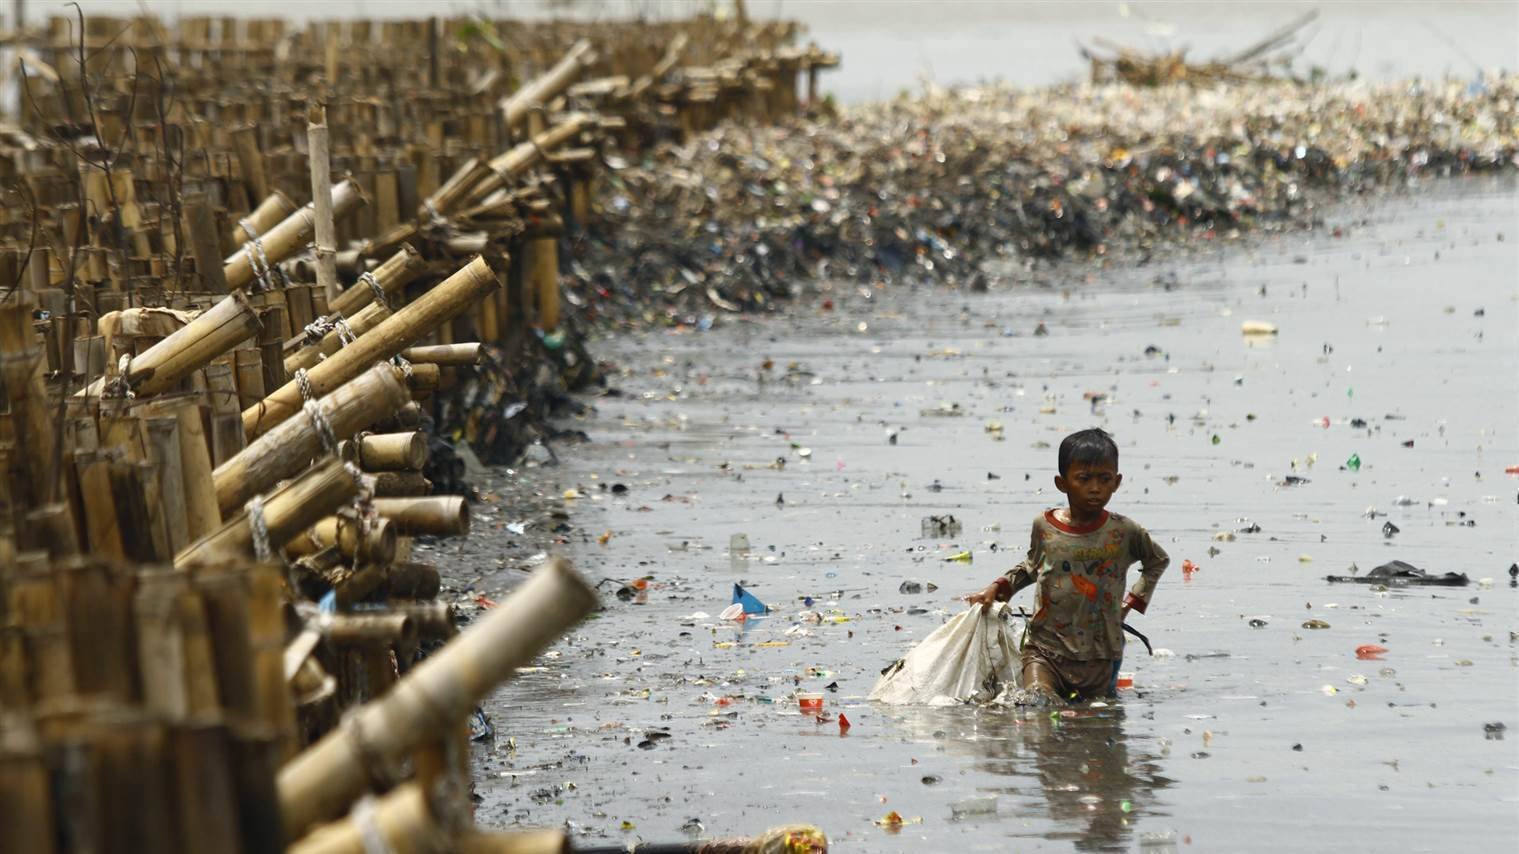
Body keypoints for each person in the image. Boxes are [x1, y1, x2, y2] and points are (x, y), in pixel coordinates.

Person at [965, 428, 1168, 703]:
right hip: (1045, 649)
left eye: (1104, 479)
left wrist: (1132, 601)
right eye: (1084, 479)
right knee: (1038, 703)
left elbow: (1157, 560)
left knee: (1095, 723)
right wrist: (999, 587)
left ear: (1117, 482)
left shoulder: (1124, 532)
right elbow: (1032, 566)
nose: (1095, 488)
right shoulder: (1045, 526)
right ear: (1062, 483)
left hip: (1101, 654)